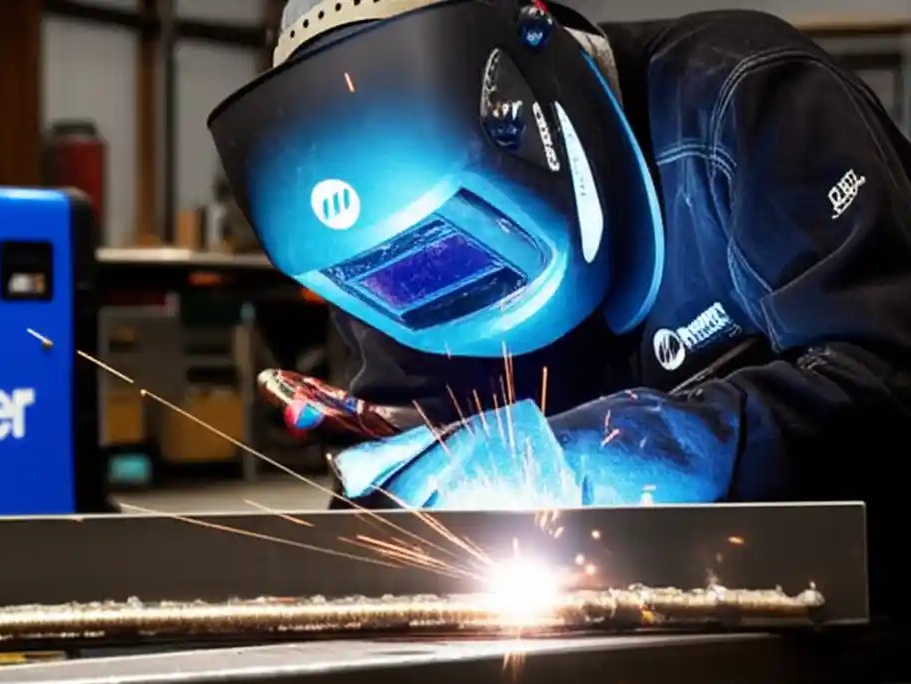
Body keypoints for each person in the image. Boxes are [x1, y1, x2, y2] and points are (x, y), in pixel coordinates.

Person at [208, 0, 911, 595]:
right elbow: (410, 514)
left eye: (469, 227)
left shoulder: (746, 101)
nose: (454, 284)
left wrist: (653, 447)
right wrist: (391, 503)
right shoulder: (386, 251)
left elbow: (889, 385)